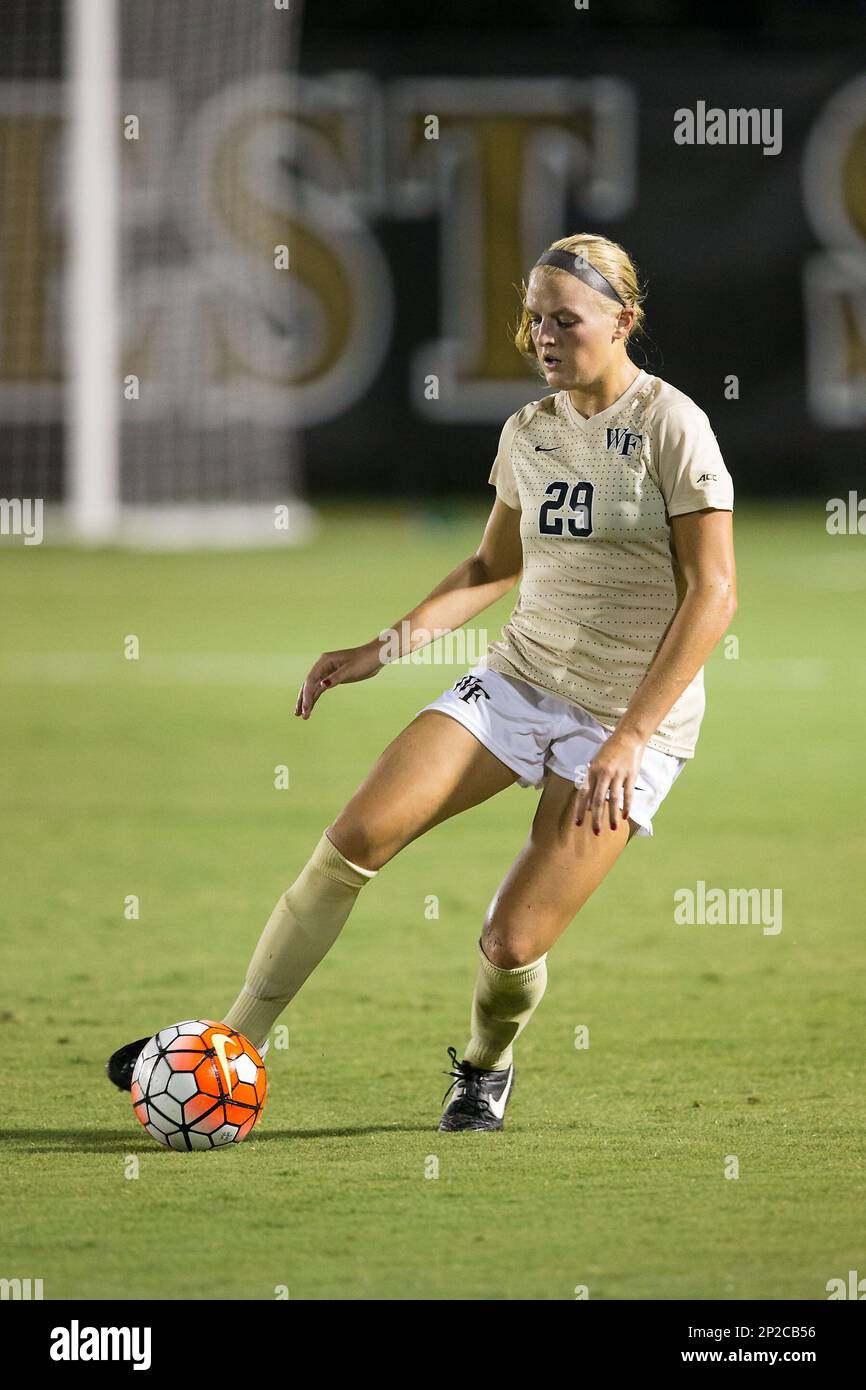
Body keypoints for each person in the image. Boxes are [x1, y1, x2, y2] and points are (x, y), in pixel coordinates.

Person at [107, 232, 737, 1133]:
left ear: (623, 320)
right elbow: (490, 566)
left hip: (629, 718)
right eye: (533, 319)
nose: (546, 336)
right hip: (521, 678)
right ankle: (225, 1047)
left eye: (568, 319)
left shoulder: (673, 425)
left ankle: (485, 1066)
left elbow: (714, 595)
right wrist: (381, 648)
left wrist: (633, 736)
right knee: (356, 836)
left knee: (510, 942)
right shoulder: (530, 431)